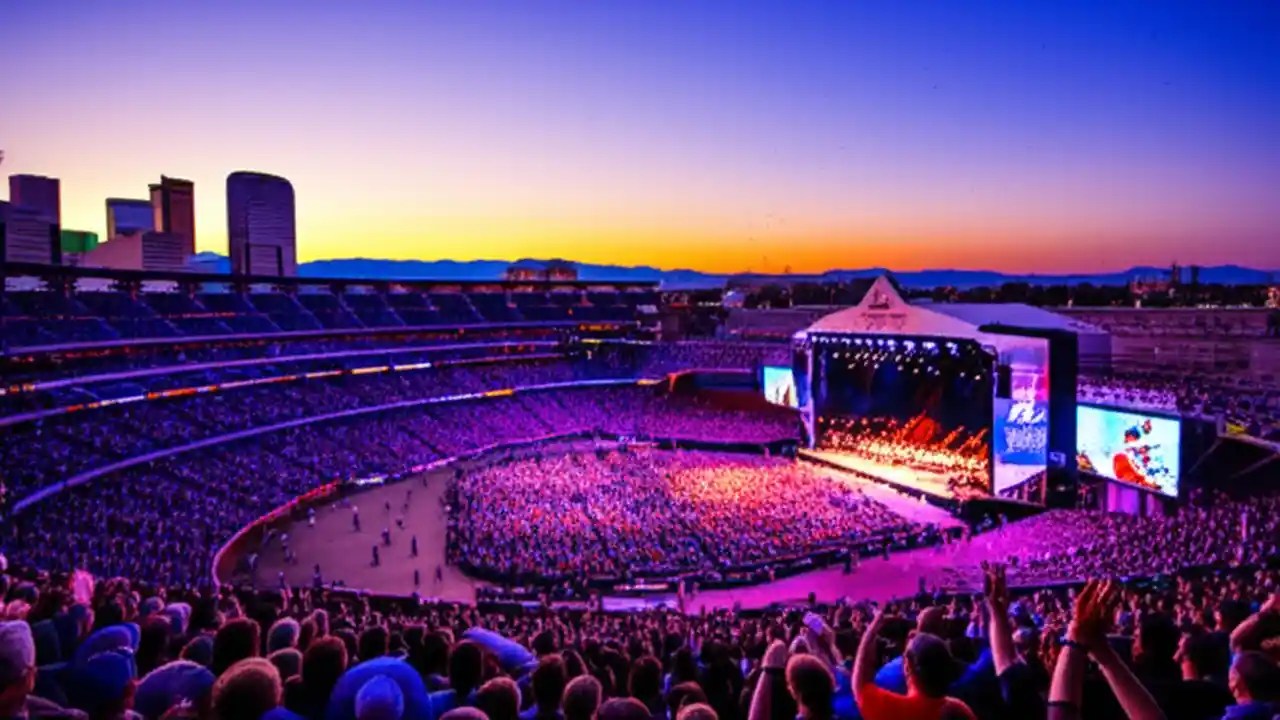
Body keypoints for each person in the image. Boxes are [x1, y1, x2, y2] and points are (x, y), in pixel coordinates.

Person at [852, 607, 976, 720]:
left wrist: (872, 628)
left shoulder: (896, 712)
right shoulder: (958, 711)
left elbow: (860, 685)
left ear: (907, 667)